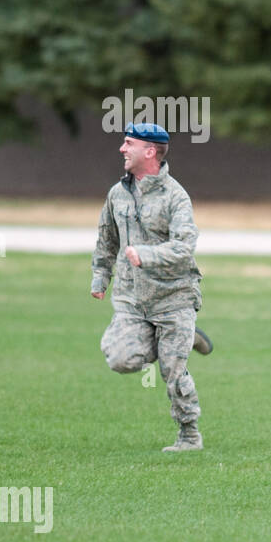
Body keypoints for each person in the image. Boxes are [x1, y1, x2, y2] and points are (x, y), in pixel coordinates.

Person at [91, 123, 213, 451]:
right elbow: (106, 238)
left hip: (173, 297)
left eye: (128, 143)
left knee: (173, 370)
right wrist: (100, 277)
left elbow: (184, 247)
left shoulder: (176, 196)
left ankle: (189, 435)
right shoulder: (117, 193)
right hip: (132, 299)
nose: (121, 148)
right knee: (120, 359)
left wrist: (145, 255)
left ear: (150, 151)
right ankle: (182, 339)